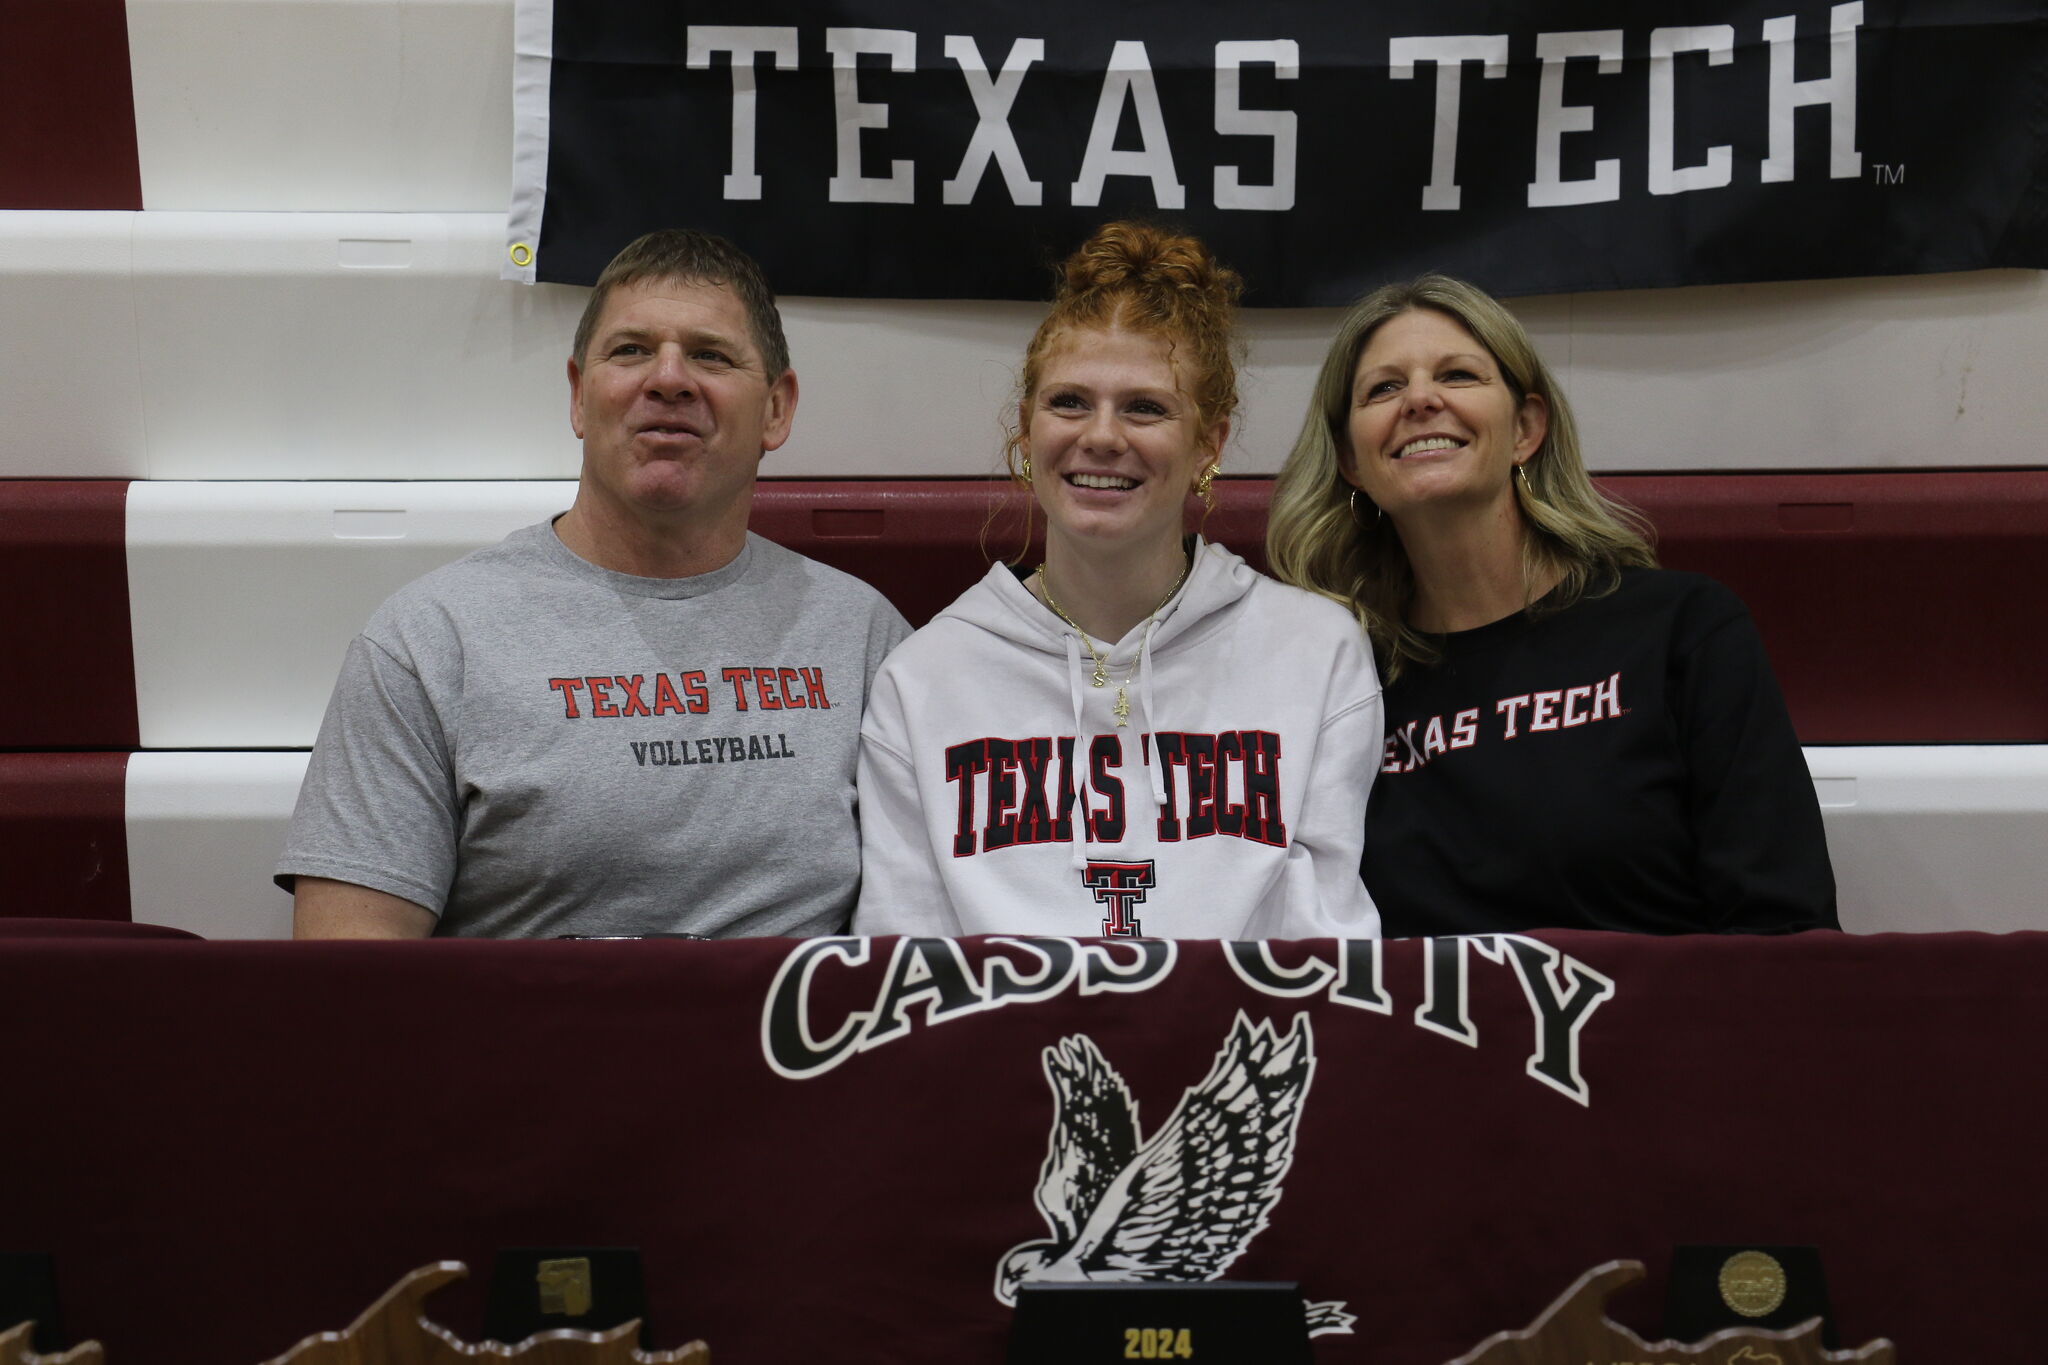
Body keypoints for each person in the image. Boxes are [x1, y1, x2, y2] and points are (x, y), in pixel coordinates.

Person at [279, 230, 910, 938]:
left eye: (710, 354)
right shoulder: (430, 639)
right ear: (580, 396)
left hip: (797, 1047)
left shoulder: (863, 637)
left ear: (776, 408)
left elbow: (925, 933)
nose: (669, 378)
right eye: (631, 350)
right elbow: (348, 979)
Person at [852, 223, 1383, 940]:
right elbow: (904, 971)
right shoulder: (920, 682)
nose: (1101, 435)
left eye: (1145, 407)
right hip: (1000, 1052)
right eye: (1069, 402)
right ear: (1025, 428)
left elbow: (1325, 957)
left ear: (1209, 443)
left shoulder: (1317, 653)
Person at [1267, 274, 1837, 936]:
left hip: (1656, 1034)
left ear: (1526, 429)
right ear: (1351, 460)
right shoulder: (1337, 679)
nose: (1421, 399)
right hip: (1424, 1037)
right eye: (1384, 388)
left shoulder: (1681, 630)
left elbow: (1788, 932)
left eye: (1457, 374)